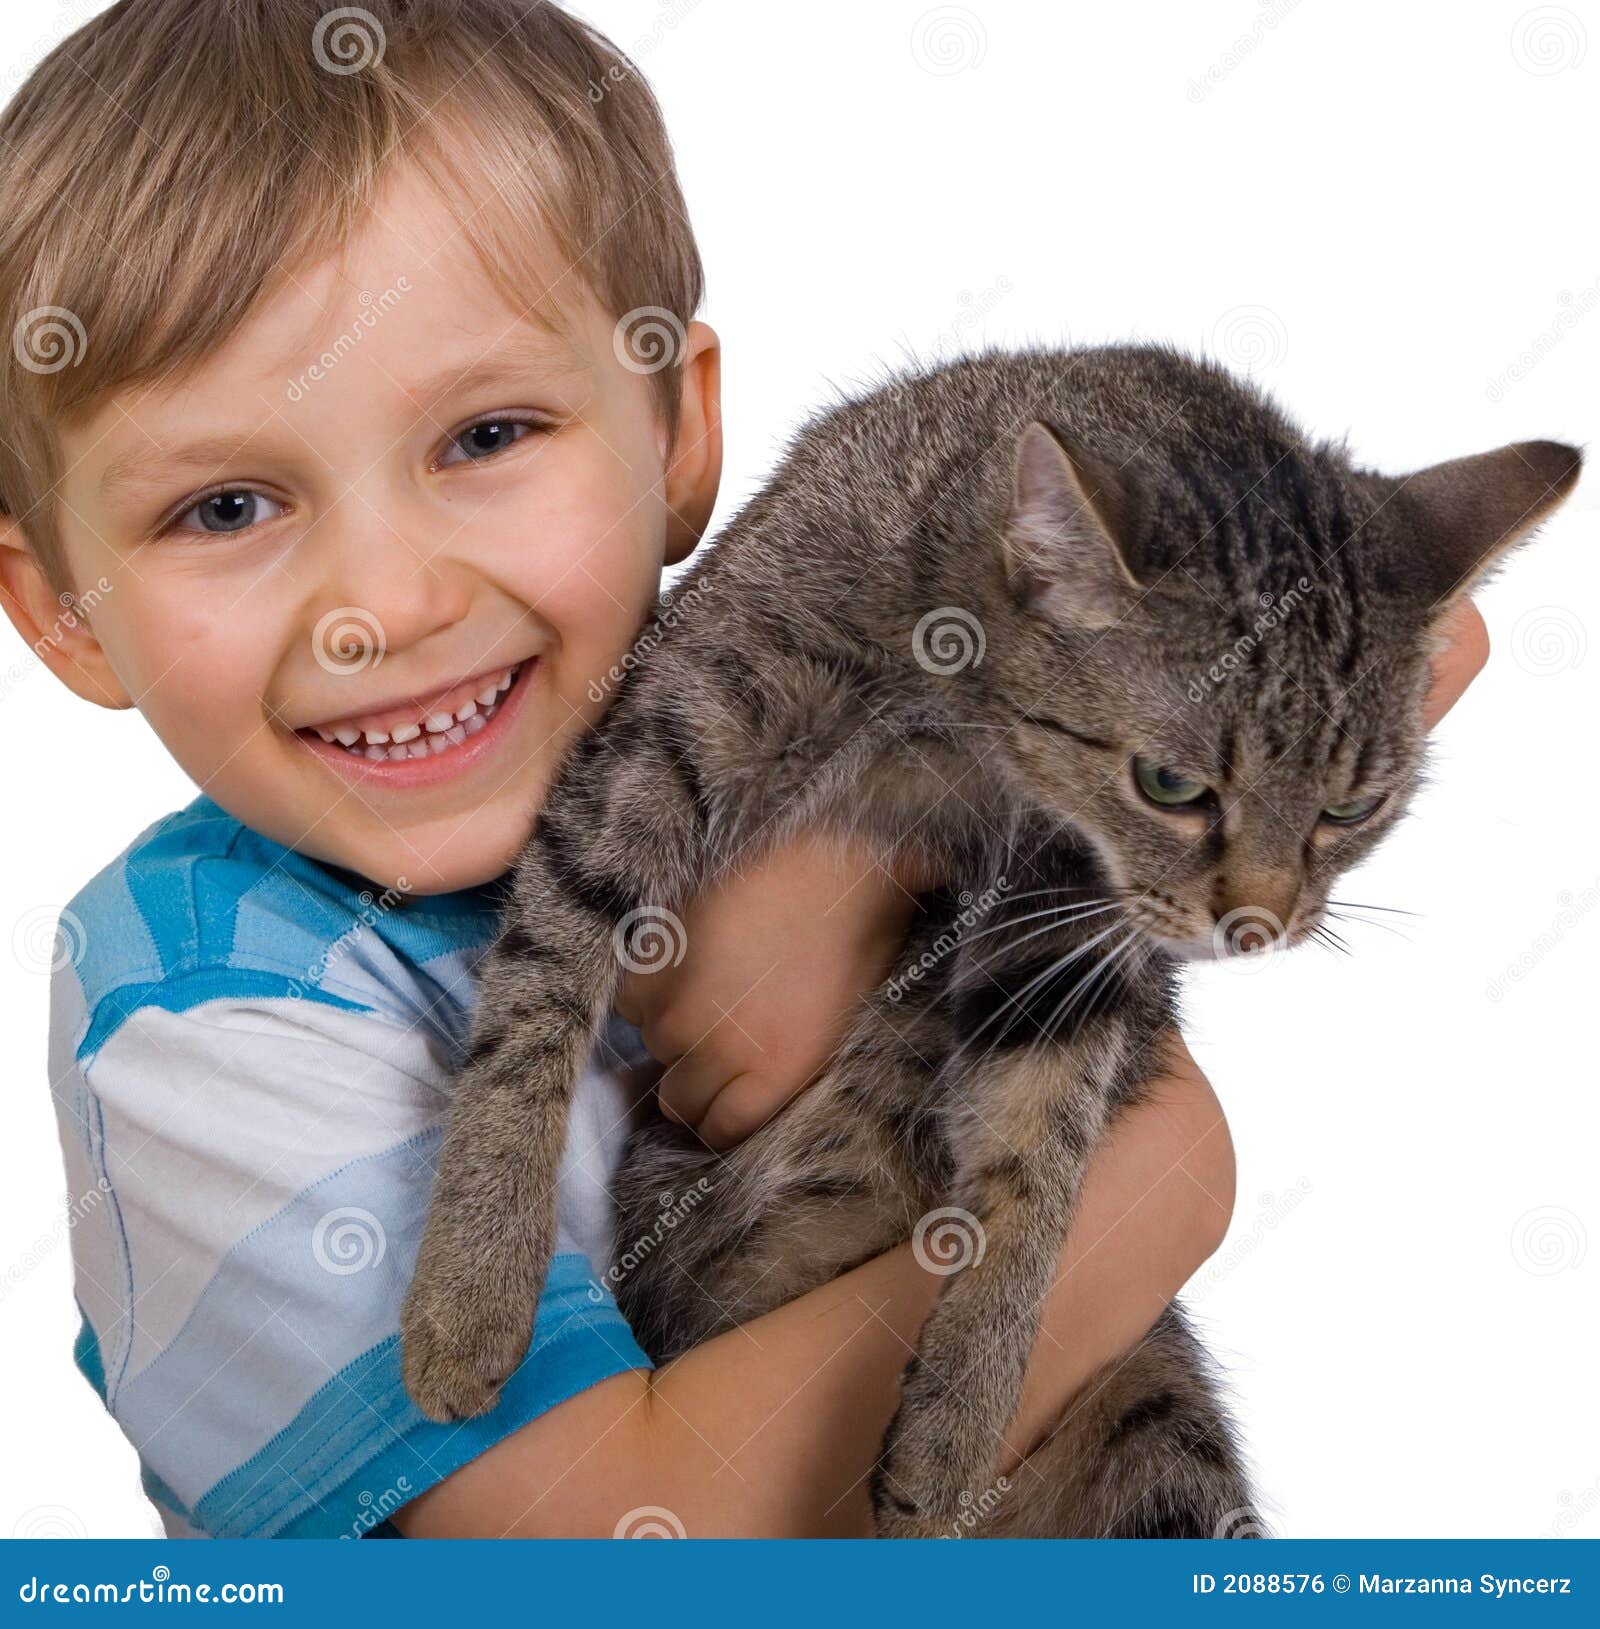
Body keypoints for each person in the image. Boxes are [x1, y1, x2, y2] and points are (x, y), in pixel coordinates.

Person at [0, 0, 1486, 1538]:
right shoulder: (191, 1012)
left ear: (678, 434)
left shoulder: (842, 709)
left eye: (487, 435)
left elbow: (1405, 641)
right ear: (63, 612)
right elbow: (626, 1546)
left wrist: (842, 875)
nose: (389, 606)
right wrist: (1172, 1173)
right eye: (226, 508)